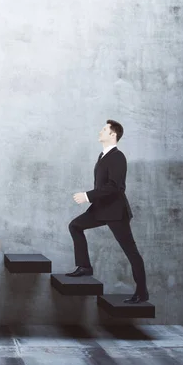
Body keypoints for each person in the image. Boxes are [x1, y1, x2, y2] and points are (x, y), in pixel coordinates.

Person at [66, 120, 149, 304]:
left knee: (131, 252)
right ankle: (85, 267)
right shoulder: (103, 155)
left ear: (113, 135)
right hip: (101, 209)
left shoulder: (118, 157)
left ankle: (142, 292)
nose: (100, 131)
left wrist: (88, 195)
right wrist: (92, 199)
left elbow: (115, 187)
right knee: (75, 226)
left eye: (104, 129)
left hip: (116, 212)